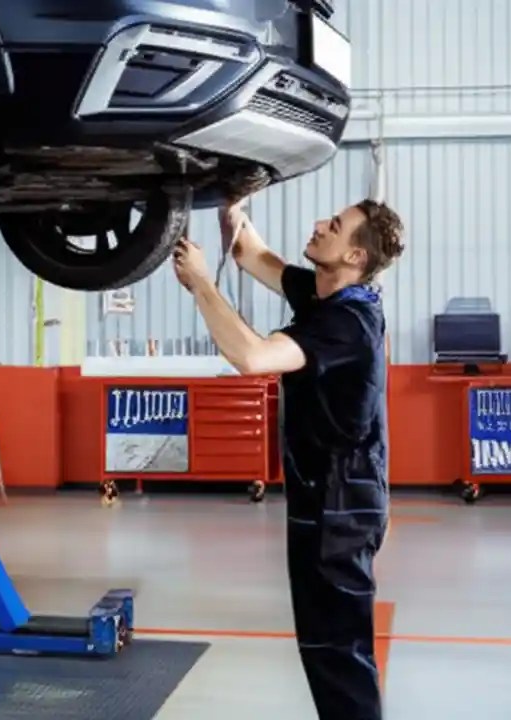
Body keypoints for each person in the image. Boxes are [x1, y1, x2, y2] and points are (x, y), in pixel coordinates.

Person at [172, 196, 404, 719]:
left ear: (355, 259)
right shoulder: (326, 292)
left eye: (336, 226)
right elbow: (254, 256)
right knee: (323, 650)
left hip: (340, 510)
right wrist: (232, 208)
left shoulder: (348, 322)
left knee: (337, 654)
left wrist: (202, 286)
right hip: (326, 501)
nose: (321, 224)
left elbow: (252, 357)